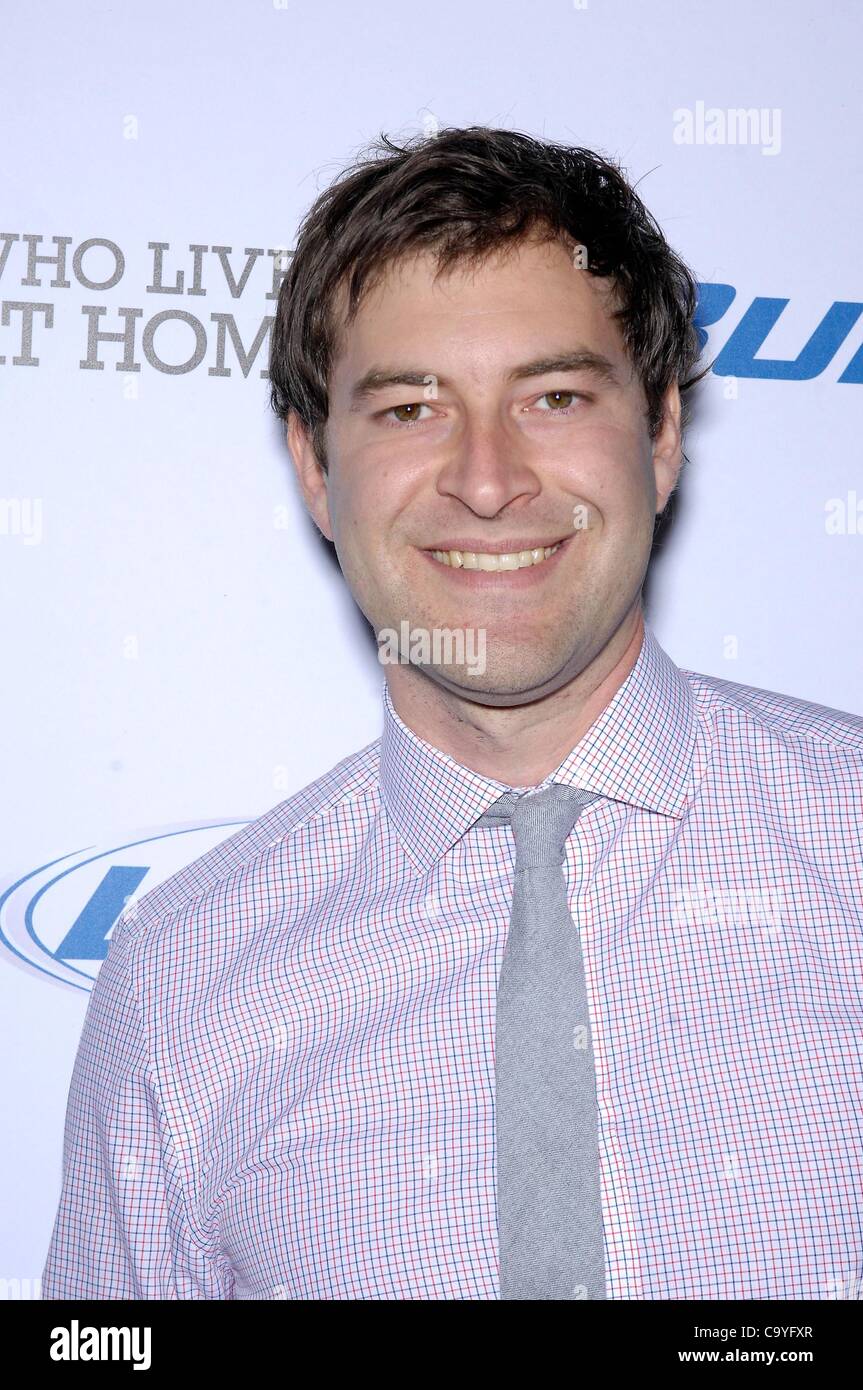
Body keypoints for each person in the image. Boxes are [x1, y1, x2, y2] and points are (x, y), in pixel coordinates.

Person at [43, 127, 863, 1301]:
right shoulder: (179, 981)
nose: (486, 479)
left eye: (555, 394)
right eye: (409, 408)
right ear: (315, 468)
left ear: (664, 434)